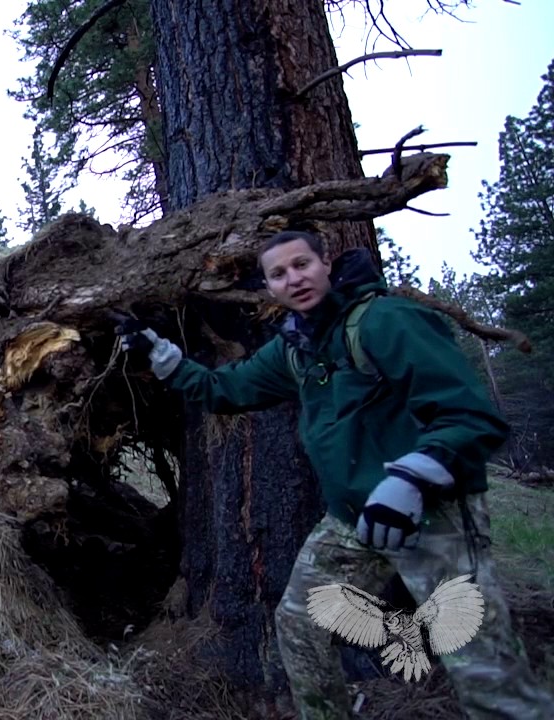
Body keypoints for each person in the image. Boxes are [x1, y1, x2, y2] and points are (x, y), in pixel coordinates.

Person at [124, 230, 552, 719]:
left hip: (436, 518)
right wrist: (162, 357)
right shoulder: (296, 347)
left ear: (326, 263)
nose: (294, 279)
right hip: (355, 520)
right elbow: (226, 389)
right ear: (269, 288)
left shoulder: (387, 320)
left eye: (301, 264)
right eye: (279, 274)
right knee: (300, 622)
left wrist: (411, 478)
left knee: (483, 667)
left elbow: (472, 417)